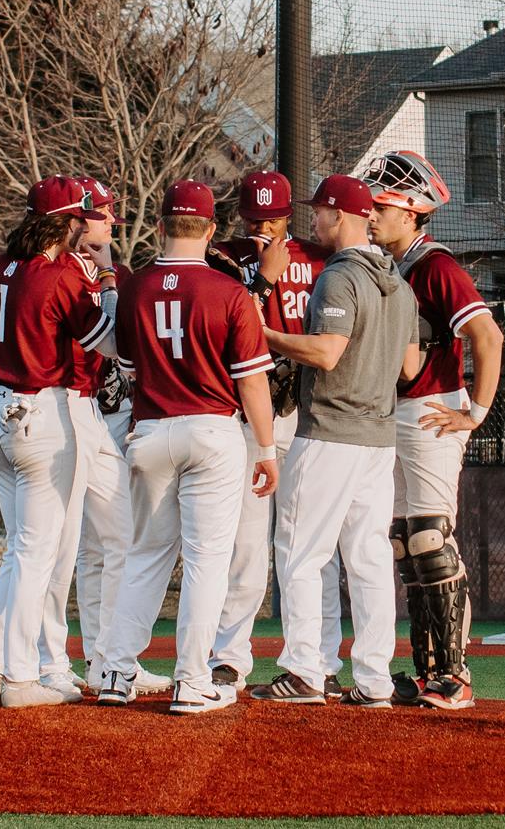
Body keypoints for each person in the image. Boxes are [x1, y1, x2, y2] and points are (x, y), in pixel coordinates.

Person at [93, 180, 280, 715]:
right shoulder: (229, 292)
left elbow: (127, 369)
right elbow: (251, 383)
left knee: (145, 557)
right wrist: (266, 449)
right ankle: (191, 680)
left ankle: (115, 672)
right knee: (206, 561)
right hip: (212, 431)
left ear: (159, 227)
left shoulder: (136, 288)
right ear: (212, 229)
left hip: (150, 431)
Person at [0, 176, 116, 707]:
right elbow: (108, 340)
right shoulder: (63, 276)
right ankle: (17, 677)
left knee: (18, 552)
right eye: (82, 217)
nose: (88, 223)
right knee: (38, 553)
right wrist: (108, 289)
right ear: (68, 222)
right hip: (45, 414)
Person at [251, 174, 422, 707]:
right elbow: (410, 366)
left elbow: (326, 353)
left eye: (320, 212)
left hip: (330, 431)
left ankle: (306, 670)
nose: (314, 221)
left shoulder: (339, 276)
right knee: (368, 558)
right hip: (378, 436)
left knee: (301, 552)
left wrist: (264, 335)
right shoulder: (398, 281)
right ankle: (373, 680)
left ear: (340, 215)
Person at [361, 150, 504, 711]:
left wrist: (477, 412)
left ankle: (455, 675)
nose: (371, 215)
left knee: (429, 537)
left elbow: (487, 338)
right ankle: (426, 672)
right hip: (394, 413)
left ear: (414, 212)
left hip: (430, 412)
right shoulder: (389, 267)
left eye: (381, 206)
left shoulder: (436, 267)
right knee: (403, 542)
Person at [205, 170, 338, 697]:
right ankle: (229, 659)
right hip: (249, 412)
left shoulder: (319, 257)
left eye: (275, 217)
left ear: (290, 215)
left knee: (307, 542)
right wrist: (260, 275)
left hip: (308, 411)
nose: (265, 225)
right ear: (241, 214)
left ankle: (317, 660)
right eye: (256, 217)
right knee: (244, 544)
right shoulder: (221, 258)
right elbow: (221, 326)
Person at [52, 178, 172, 697]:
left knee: (113, 539)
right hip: (58, 408)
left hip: (98, 413)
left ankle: (108, 659)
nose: (108, 228)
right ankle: (52, 660)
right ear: (77, 219)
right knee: (65, 547)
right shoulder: (53, 271)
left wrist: (105, 271)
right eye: (101, 218)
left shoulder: (111, 273)